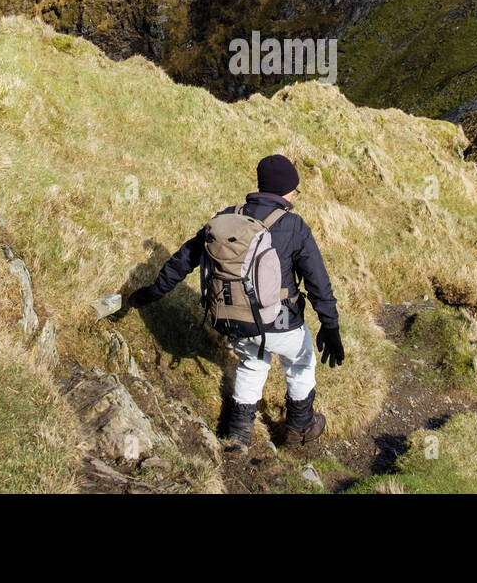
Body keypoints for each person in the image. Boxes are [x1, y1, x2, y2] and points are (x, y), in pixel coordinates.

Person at [128, 154, 344, 449]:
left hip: (236, 321)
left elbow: (184, 259)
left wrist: (152, 292)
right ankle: (300, 426)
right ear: (285, 190)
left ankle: (238, 434)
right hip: (281, 322)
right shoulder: (295, 226)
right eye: (295, 188)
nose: (295, 194)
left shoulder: (227, 217)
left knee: (251, 365)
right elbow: (318, 282)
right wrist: (330, 326)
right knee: (301, 361)